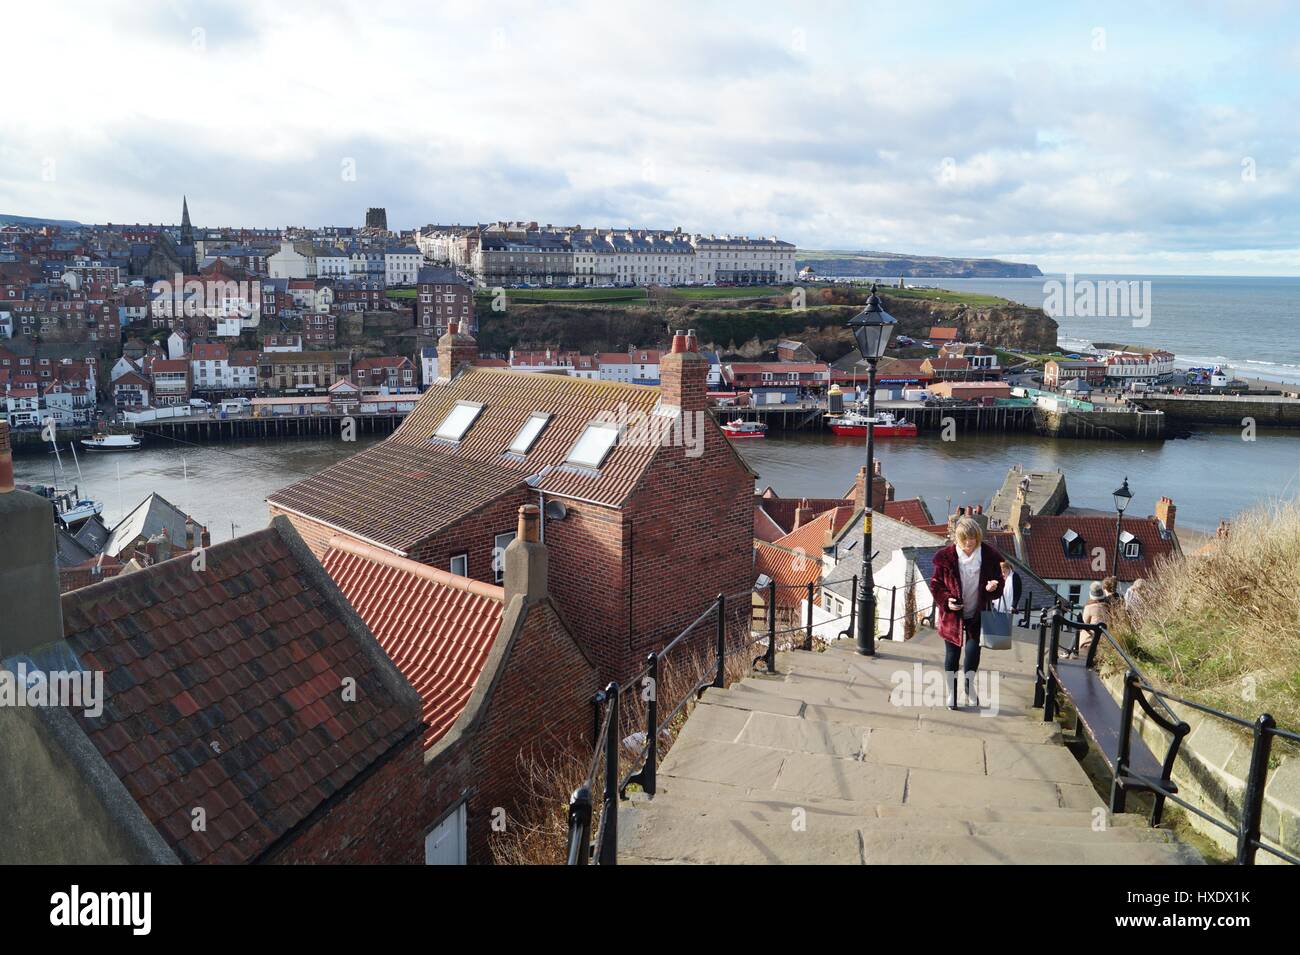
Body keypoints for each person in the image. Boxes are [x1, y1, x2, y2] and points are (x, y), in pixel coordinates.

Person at [929, 516, 1004, 710]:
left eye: (973, 538)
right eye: (965, 539)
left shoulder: (989, 556)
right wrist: (946, 601)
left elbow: (999, 585)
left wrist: (992, 587)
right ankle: (952, 694)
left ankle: (969, 687)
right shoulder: (945, 557)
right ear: (957, 538)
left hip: (977, 614)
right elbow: (936, 584)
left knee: (972, 654)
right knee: (952, 656)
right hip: (952, 616)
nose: (969, 543)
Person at [1079, 581, 1110, 659]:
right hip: (1104, 642)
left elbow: (1084, 624)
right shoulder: (1108, 607)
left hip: (1090, 642)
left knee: (1080, 631)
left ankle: (1070, 650)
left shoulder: (1089, 607)